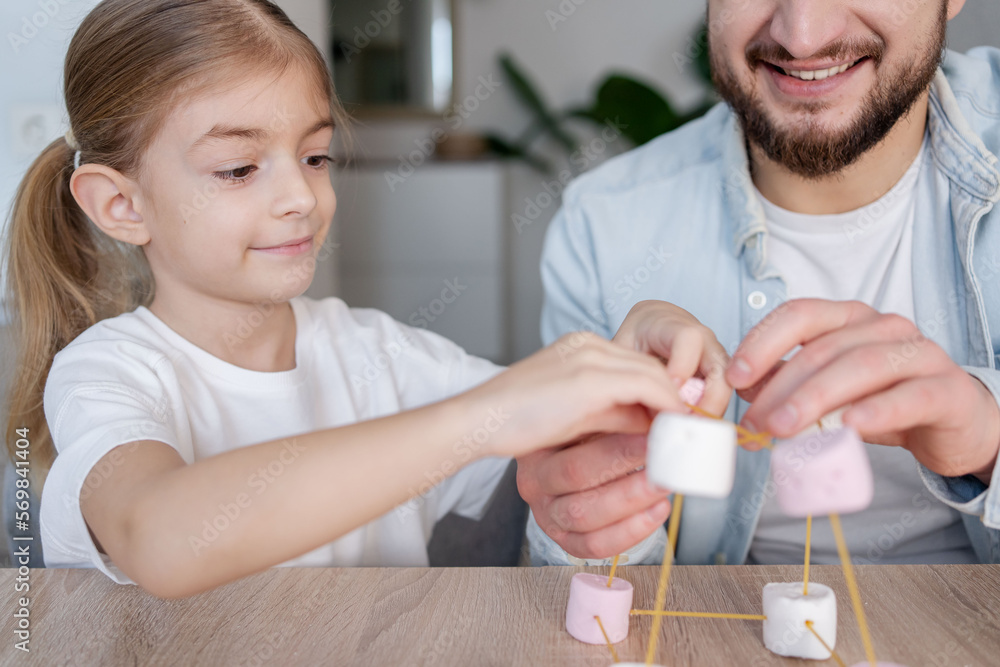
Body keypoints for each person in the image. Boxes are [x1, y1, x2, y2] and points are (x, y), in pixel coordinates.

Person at [1, 0, 692, 599]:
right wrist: (490, 411)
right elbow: (159, 536)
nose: (302, 197)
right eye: (239, 168)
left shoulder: (378, 353)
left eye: (315, 156)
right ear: (121, 204)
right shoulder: (108, 375)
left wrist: (627, 370)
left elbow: (549, 455)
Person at [521, 0, 1000, 567]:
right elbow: (593, 595)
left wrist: (986, 438)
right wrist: (585, 518)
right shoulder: (602, 226)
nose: (802, 37)